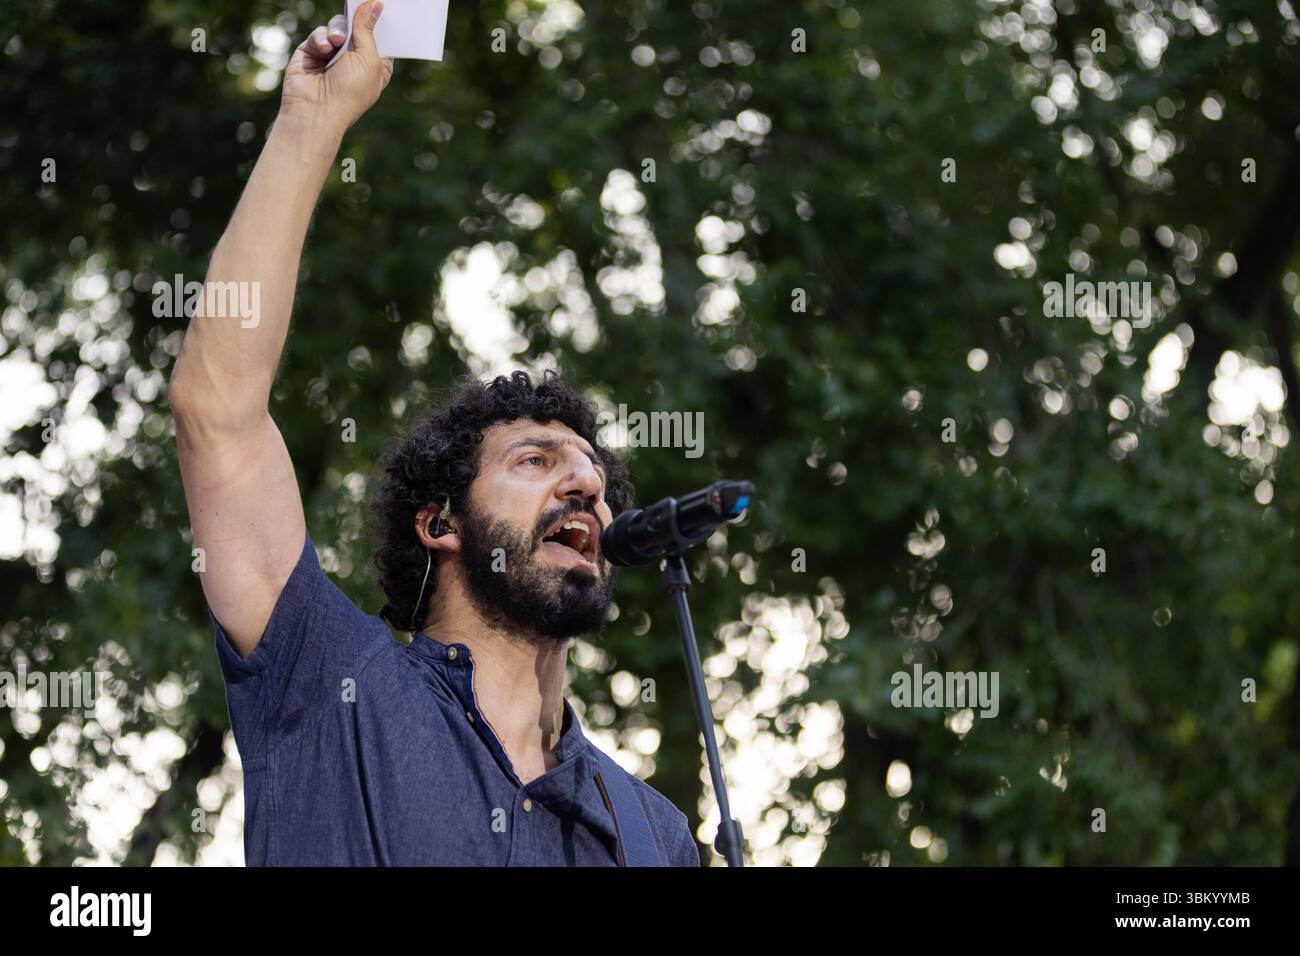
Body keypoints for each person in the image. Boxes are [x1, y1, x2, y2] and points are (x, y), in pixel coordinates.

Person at [168, 1, 701, 866]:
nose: (587, 483)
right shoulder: (326, 679)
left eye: (594, 470)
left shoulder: (654, 835)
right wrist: (312, 122)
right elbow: (215, 405)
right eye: (536, 459)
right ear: (439, 523)